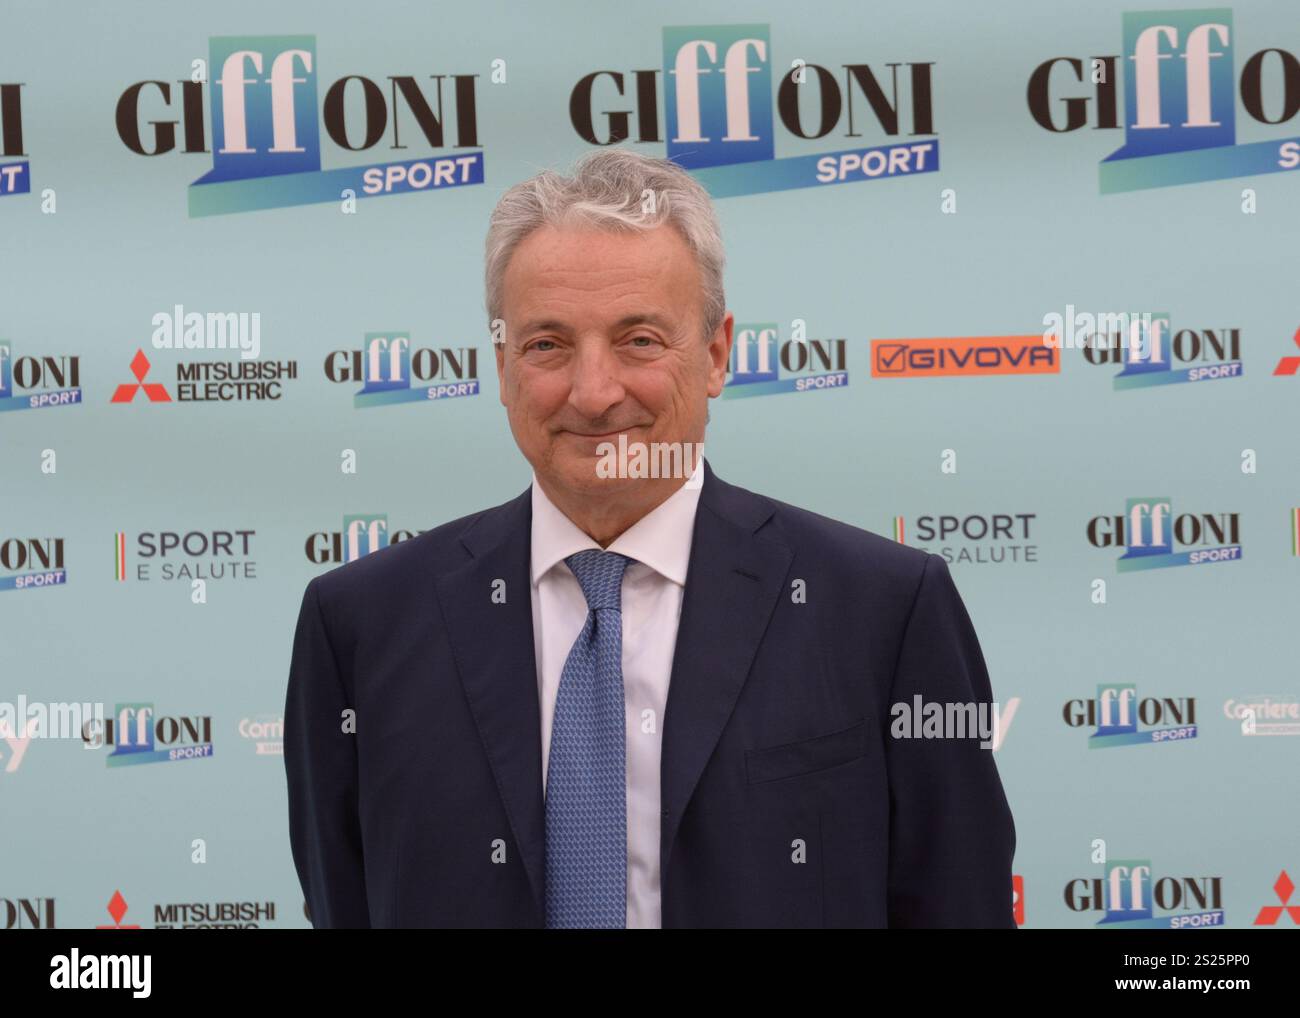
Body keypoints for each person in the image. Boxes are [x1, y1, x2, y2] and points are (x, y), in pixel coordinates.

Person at [284, 148, 1016, 928]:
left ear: (716, 355)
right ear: (501, 366)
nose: (594, 393)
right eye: (547, 345)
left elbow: (957, 903)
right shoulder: (360, 625)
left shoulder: (884, 611)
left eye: (638, 340)